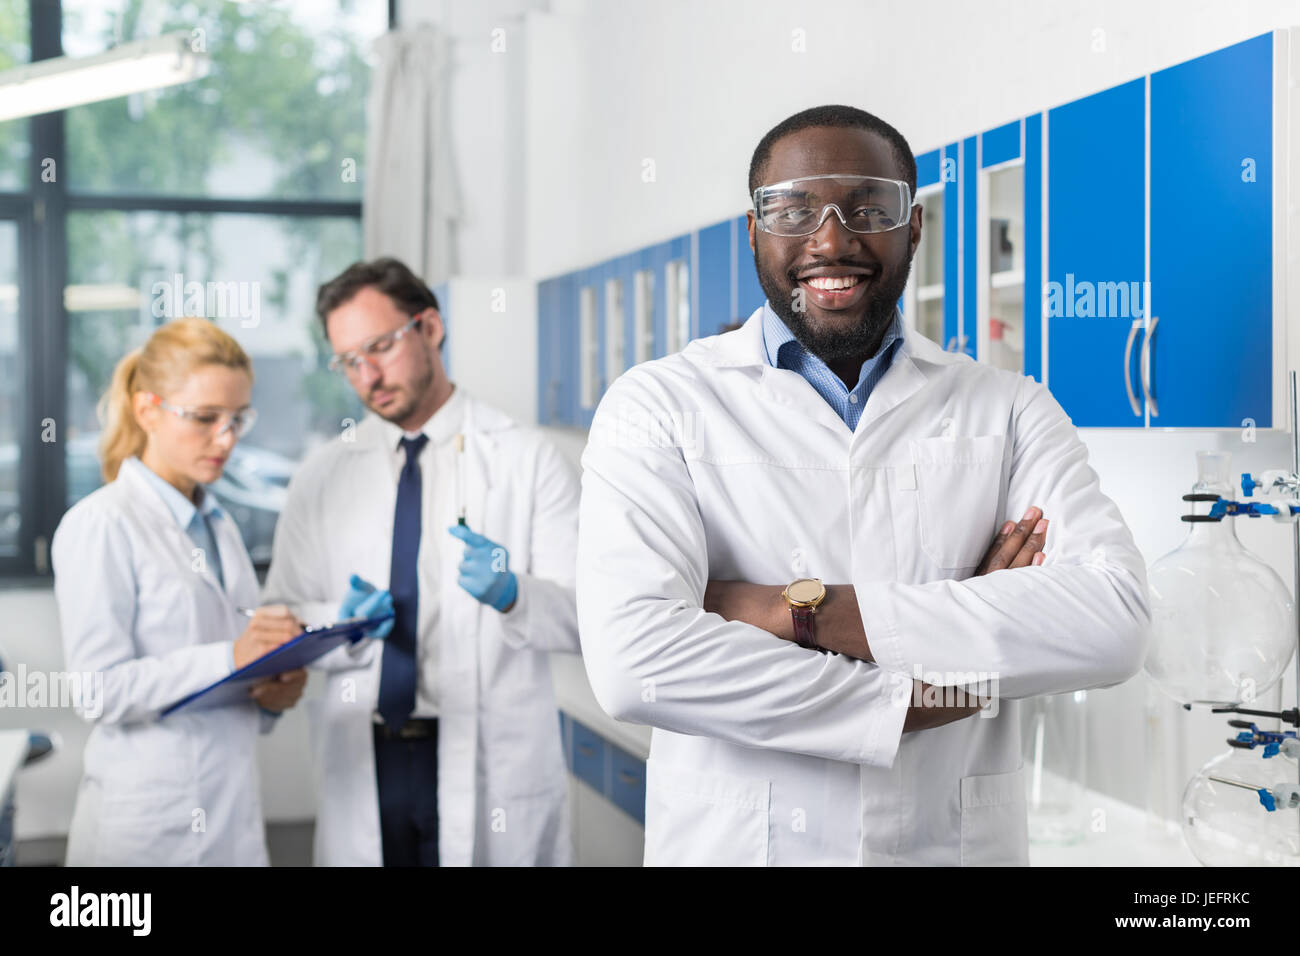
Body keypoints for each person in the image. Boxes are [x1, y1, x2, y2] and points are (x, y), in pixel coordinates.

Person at [576, 104, 1151, 866]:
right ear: (753, 232)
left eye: (870, 207)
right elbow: (636, 663)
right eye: (794, 208)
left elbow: (1112, 620)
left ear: (915, 227)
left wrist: (792, 611)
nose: (832, 239)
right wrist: (953, 689)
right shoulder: (657, 405)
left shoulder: (1008, 407)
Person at [263, 257, 581, 867]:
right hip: (367, 751)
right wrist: (337, 621)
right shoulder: (322, 477)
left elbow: (588, 616)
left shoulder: (526, 457)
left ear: (429, 327)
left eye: (379, 347)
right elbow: (279, 621)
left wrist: (515, 593)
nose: (367, 375)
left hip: (488, 754)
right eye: (348, 360)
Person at [52, 317, 307, 866]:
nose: (227, 438)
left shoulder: (219, 525)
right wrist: (231, 657)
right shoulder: (102, 524)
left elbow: (226, 675)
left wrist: (271, 694)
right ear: (148, 410)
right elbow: (98, 692)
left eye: (238, 419)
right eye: (205, 418)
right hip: (148, 828)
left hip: (230, 811)